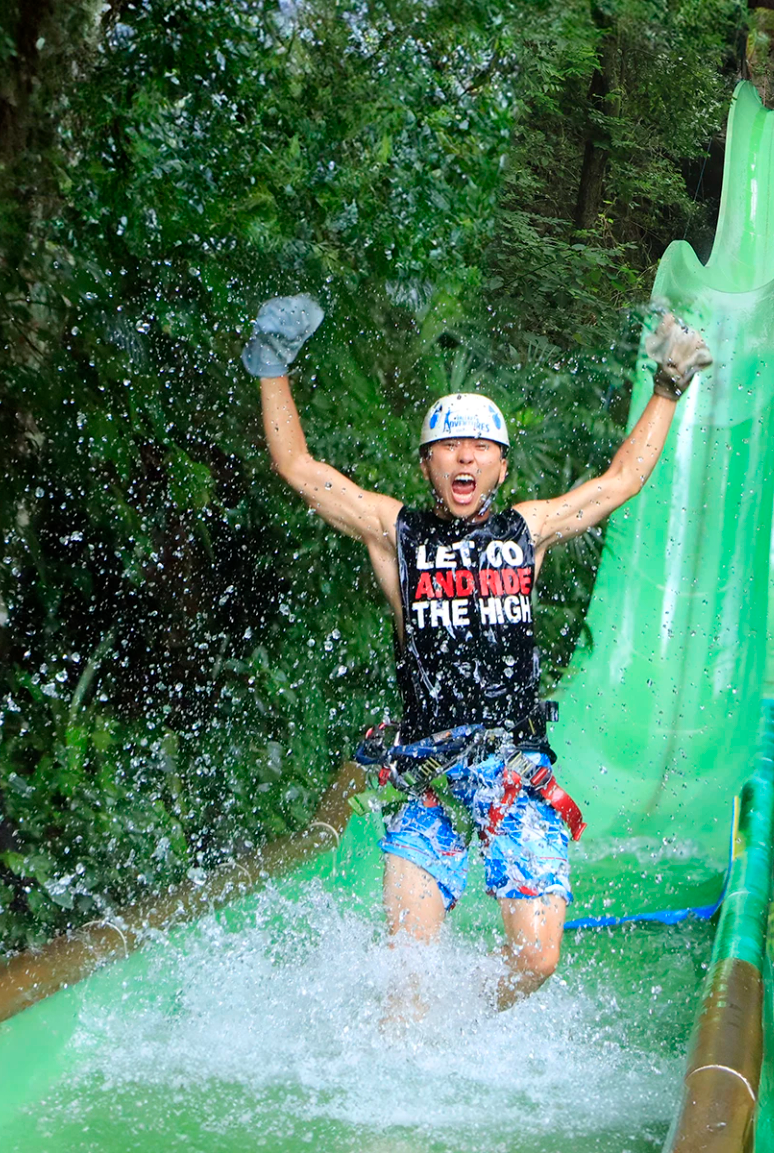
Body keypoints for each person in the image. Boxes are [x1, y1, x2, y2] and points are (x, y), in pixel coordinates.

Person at [242, 296, 712, 1008]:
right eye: (449, 445)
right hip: (428, 772)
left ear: (499, 466)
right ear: (428, 464)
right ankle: (404, 1066)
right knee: (406, 977)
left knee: (536, 960)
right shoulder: (393, 533)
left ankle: (461, 1027)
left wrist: (667, 390)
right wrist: (272, 366)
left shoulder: (530, 532)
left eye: (480, 446)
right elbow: (300, 467)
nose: (465, 454)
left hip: (513, 771)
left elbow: (620, 482)